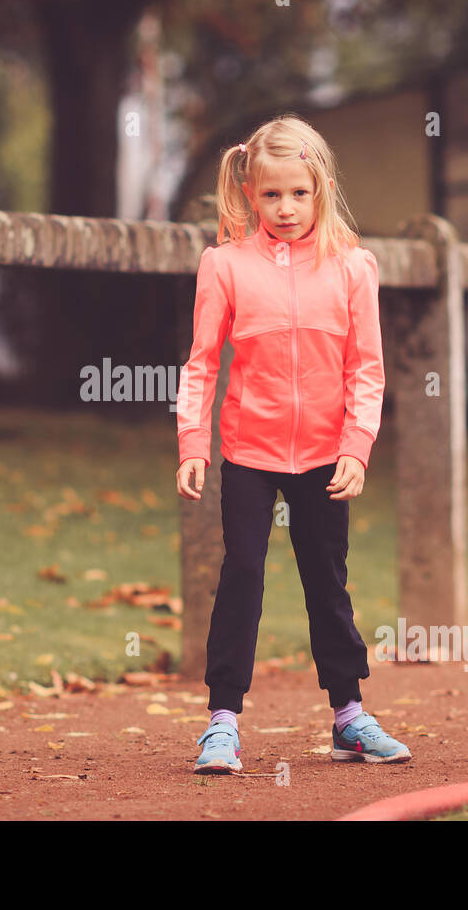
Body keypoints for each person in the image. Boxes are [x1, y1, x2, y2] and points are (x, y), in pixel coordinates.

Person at [176, 115, 411, 773]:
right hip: (248, 452)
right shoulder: (223, 265)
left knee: (326, 579)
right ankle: (222, 723)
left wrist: (357, 446)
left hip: (324, 456)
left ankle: (349, 717)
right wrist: (193, 441)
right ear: (251, 192)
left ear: (322, 190)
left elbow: (367, 368)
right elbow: (200, 364)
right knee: (243, 572)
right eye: (272, 194)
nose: (285, 208)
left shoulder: (353, 268)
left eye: (299, 194)